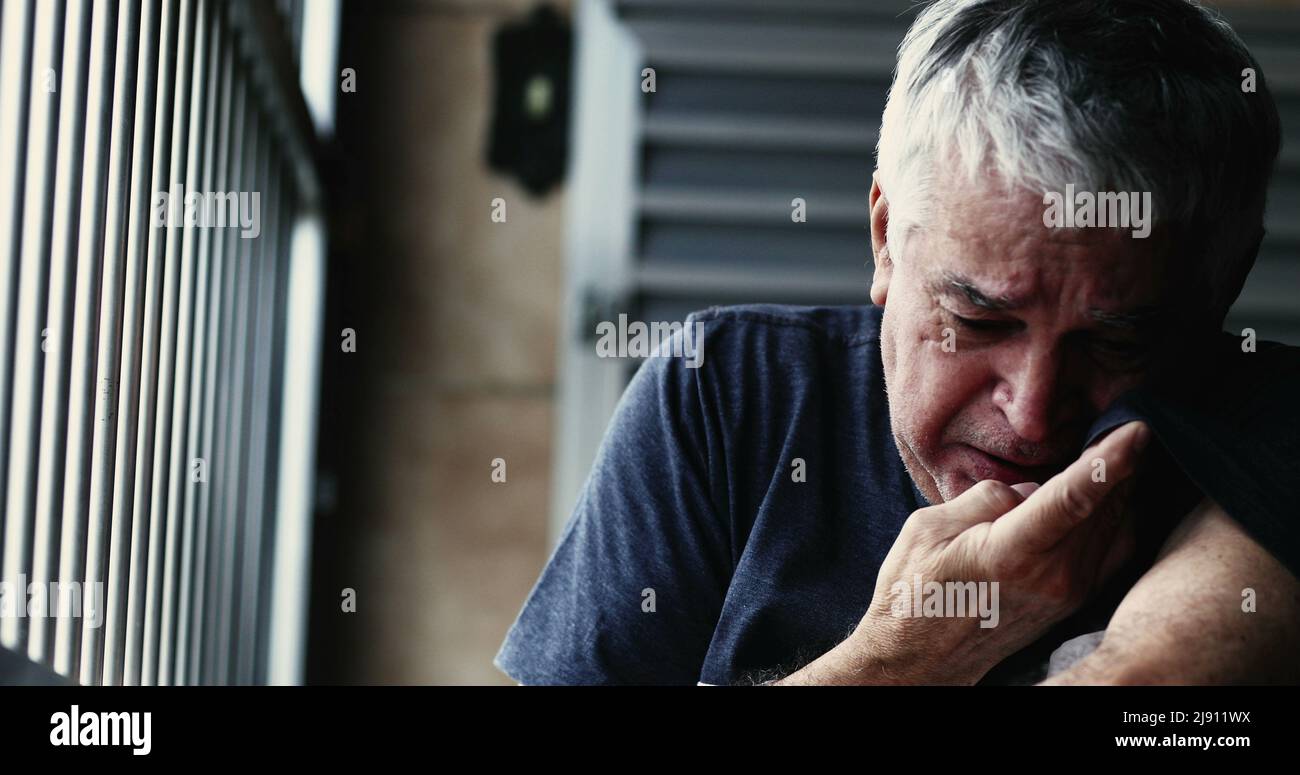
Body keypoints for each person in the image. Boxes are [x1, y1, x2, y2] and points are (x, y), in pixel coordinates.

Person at [495, 0, 1300, 685]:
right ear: (886, 237)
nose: (1030, 413)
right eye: (979, 320)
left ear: (1220, 287)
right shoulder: (728, 395)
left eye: (1116, 341)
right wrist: (909, 654)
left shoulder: (1271, 428)